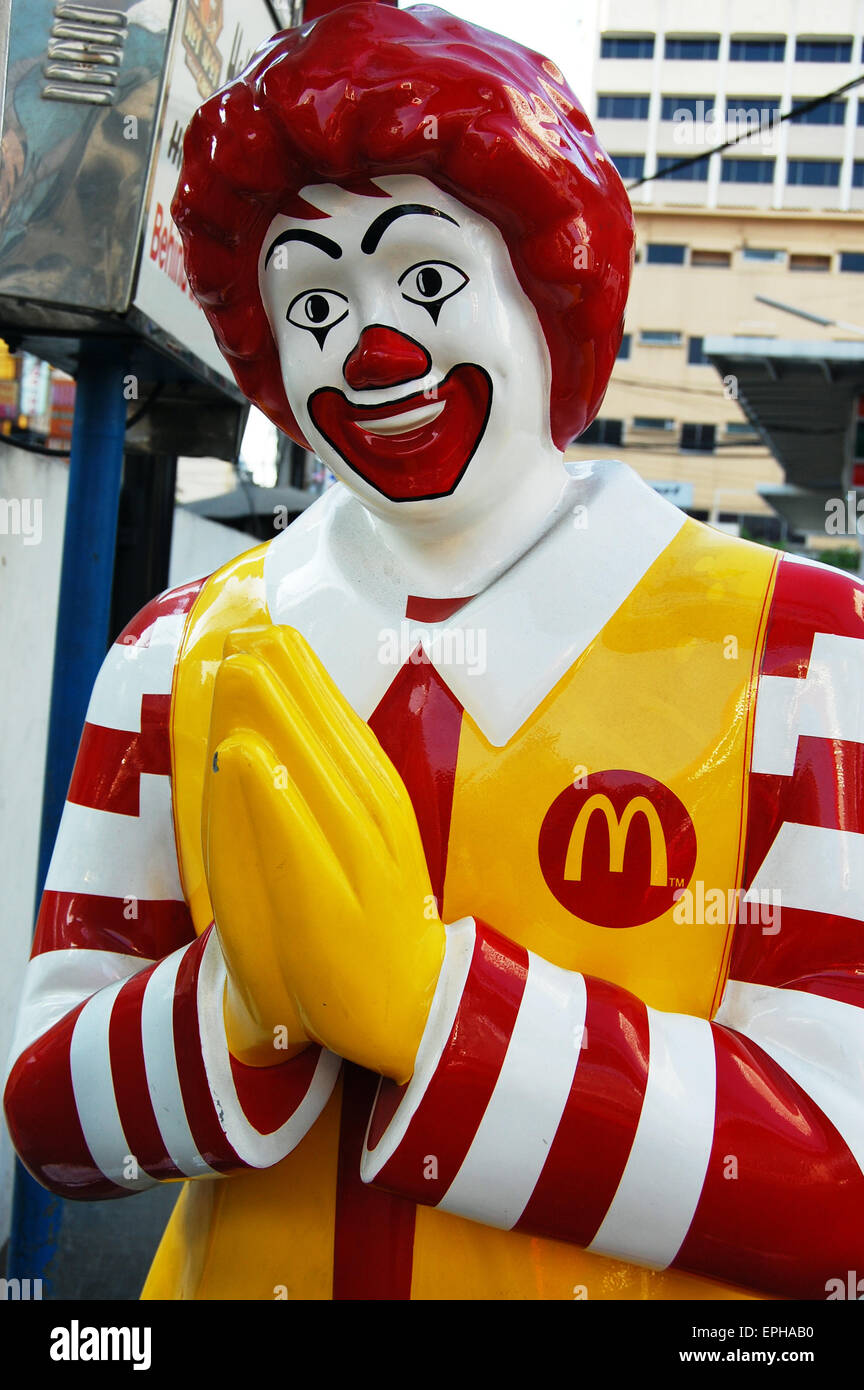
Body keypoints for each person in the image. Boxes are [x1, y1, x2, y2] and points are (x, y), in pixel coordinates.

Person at [5, 2, 864, 1301]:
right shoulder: (171, 654)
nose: (375, 348)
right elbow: (52, 1113)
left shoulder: (797, 650)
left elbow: (836, 1183)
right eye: (312, 297)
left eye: (426, 280)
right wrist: (243, 1010)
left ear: (547, 280)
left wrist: (432, 1009)